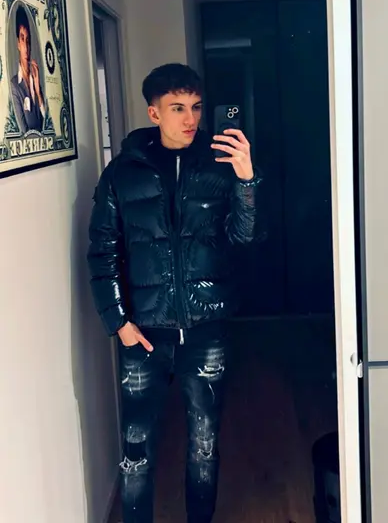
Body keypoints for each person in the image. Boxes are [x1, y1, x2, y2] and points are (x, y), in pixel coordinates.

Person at [87, 63, 263, 523]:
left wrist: (246, 180)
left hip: (205, 331)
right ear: (154, 113)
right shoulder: (122, 173)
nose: (191, 119)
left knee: (204, 445)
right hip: (143, 334)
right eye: (178, 108)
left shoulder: (220, 165)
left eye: (197, 107)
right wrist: (119, 323)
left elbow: (244, 238)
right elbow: (103, 250)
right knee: (136, 451)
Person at [10, 4, 45, 133]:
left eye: (28, 40)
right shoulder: (15, 85)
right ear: (18, 43)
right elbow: (23, 131)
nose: (26, 45)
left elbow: (45, 121)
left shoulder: (35, 81)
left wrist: (38, 92)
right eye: (22, 38)